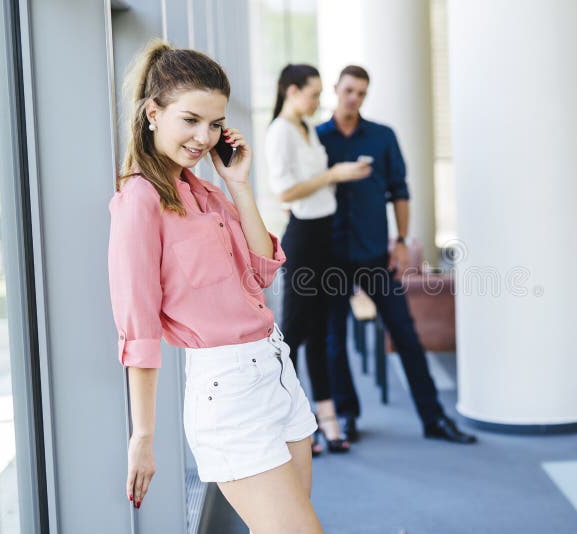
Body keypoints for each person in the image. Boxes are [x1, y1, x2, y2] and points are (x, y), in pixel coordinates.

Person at [108, 40, 323, 533]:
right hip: (227, 390)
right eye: (190, 120)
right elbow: (137, 328)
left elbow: (265, 267)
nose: (203, 137)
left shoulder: (204, 189)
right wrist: (143, 435)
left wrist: (239, 185)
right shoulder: (138, 201)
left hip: (276, 371)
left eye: (214, 123)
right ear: (152, 113)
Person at [316, 65, 477, 445]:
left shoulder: (383, 137)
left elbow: (400, 192)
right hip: (332, 255)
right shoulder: (317, 138)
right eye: (349, 90)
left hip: (375, 254)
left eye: (361, 93)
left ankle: (434, 418)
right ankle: (346, 414)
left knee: (405, 333)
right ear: (336, 89)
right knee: (333, 340)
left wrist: (402, 240)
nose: (353, 98)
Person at [265, 64, 371, 455]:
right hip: (305, 239)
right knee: (295, 333)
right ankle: (289, 425)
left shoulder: (306, 129)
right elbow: (285, 192)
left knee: (325, 331)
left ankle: (325, 419)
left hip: (326, 236)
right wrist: (335, 175)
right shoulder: (280, 132)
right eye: (312, 93)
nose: (317, 101)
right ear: (291, 91)